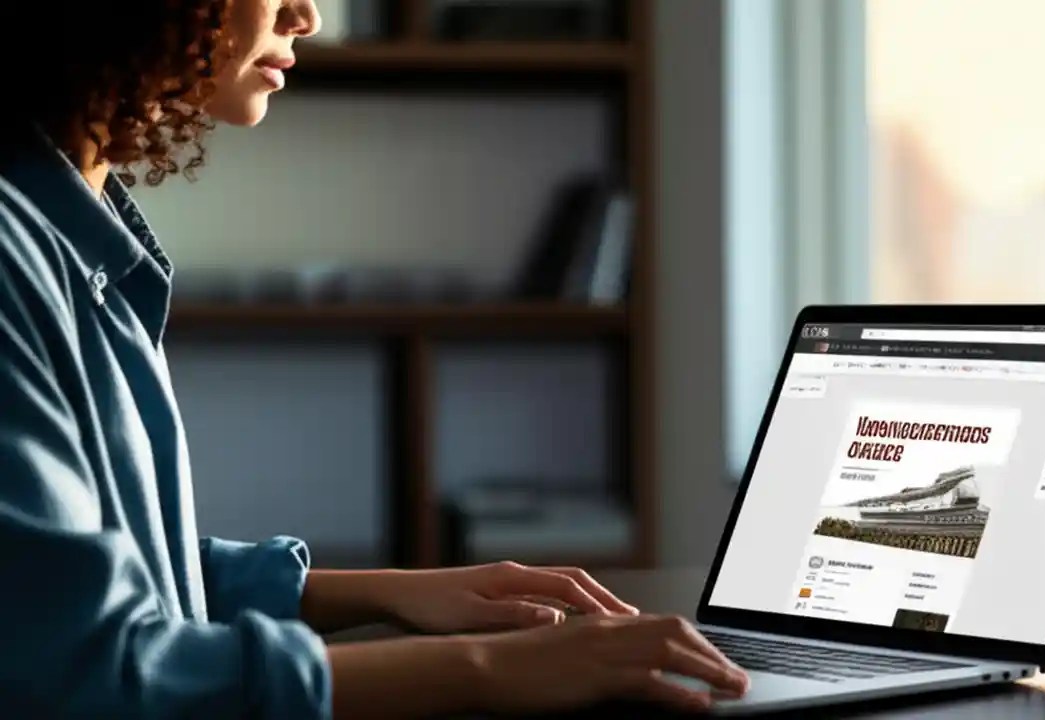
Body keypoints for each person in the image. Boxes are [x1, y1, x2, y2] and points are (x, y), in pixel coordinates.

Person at [0, 2, 749, 717]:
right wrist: (488, 669)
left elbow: (100, 579)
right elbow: (90, 675)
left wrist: (390, 592)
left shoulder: (73, 237)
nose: (307, 16)